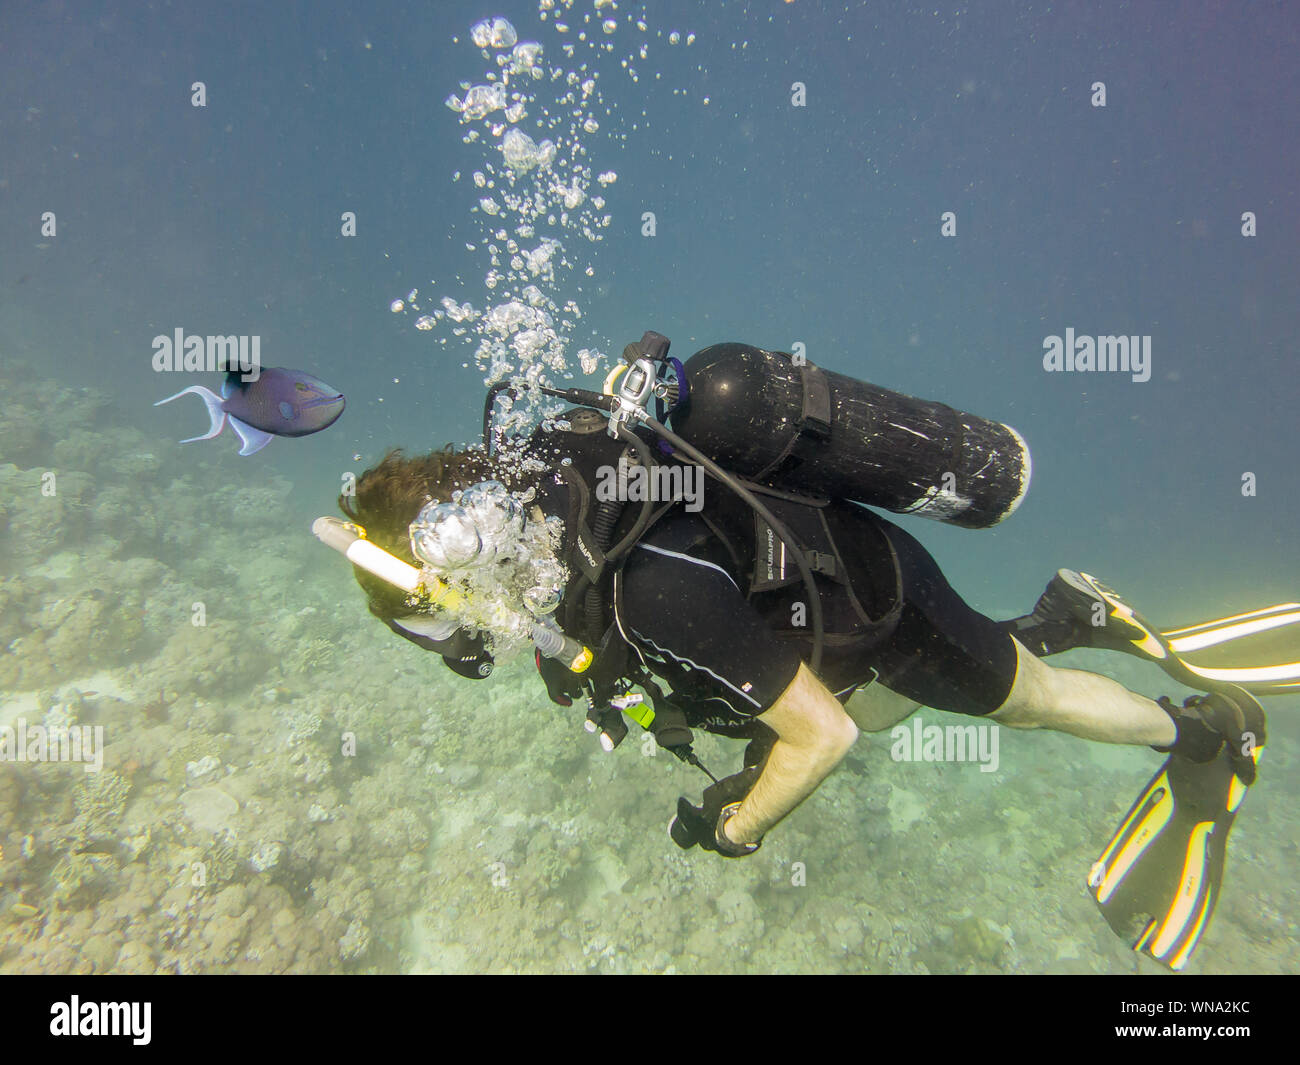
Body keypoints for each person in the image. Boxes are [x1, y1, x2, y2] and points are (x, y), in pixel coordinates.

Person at [328, 336, 1287, 969]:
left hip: (875, 604)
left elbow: (822, 738)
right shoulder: (546, 475)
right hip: (793, 616)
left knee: (1022, 703)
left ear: (464, 563)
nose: (464, 642)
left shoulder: (644, 590)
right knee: (875, 702)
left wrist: (737, 828)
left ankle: (1201, 729)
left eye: (441, 622)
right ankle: (1059, 619)